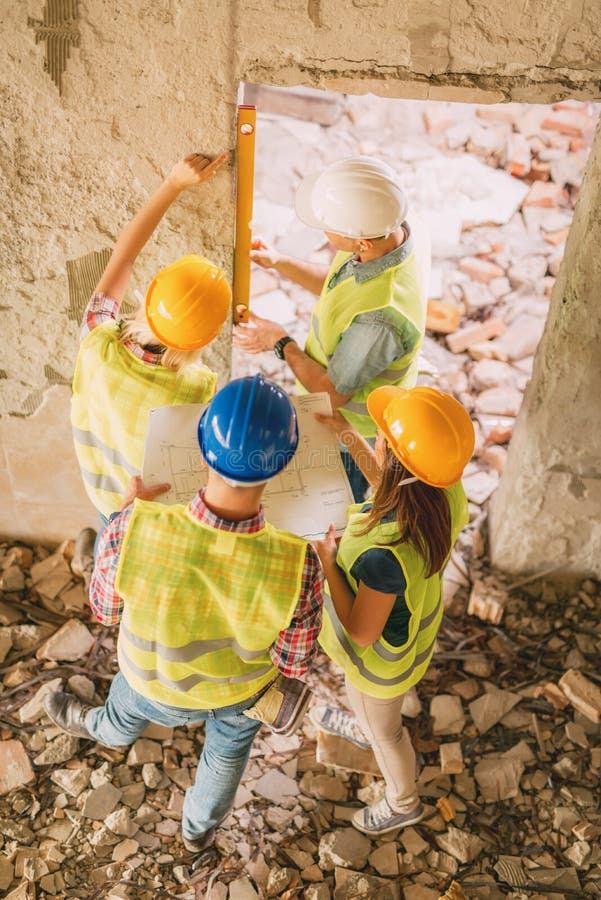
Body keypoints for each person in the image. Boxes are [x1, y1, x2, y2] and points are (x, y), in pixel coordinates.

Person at [45, 375, 324, 853]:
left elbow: (105, 610)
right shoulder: (299, 563)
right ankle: (197, 832)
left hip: (149, 682)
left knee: (119, 714)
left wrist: (125, 515)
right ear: (283, 467)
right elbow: (293, 665)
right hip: (239, 695)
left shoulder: (135, 525)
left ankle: (99, 731)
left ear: (200, 450)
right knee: (225, 760)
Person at [310, 385, 474, 836]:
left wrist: (327, 562)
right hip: (415, 639)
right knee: (381, 714)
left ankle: (403, 801)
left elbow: (362, 633)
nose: (376, 436)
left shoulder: (385, 553)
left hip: (379, 669)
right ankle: (370, 724)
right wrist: (346, 433)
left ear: (395, 457)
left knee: (387, 733)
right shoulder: (443, 489)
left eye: (380, 436)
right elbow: (389, 477)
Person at [70, 152, 231, 583]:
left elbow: (124, 255)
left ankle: (99, 566)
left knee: (113, 545)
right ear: (206, 340)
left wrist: (173, 183)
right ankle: (111, 586)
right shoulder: (197, 391)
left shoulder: (96, 336)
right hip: (152, 518)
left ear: (147, 297)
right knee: (135, 577)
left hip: (104, 493)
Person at [232, 155, 430, 502]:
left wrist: (280, 342)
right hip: (340, 398)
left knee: (332, 505)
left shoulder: (381, 320)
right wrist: (281, 263)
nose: (323, 232)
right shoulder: (389, 236)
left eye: (329, 228)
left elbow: (330, 392)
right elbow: (343, 284)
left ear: (361, 243)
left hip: (354, 434)